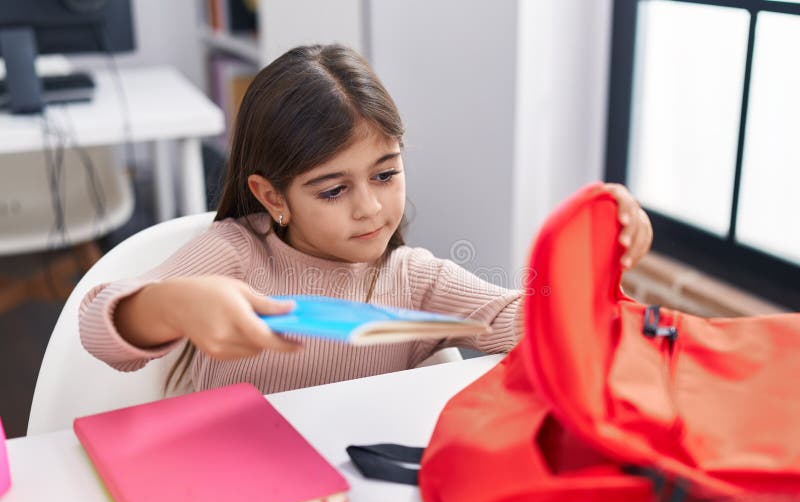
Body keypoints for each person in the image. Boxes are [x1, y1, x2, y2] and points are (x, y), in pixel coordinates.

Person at [79, 44, 653, 395]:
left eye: (385, 174)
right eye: (333, 190)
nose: (371, 209)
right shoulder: (235, 254)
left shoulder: (415, 278)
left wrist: (590, 267)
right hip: (236, 489)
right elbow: (100, 325)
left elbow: (516, 320)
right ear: (271, 195)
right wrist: (175, 303)